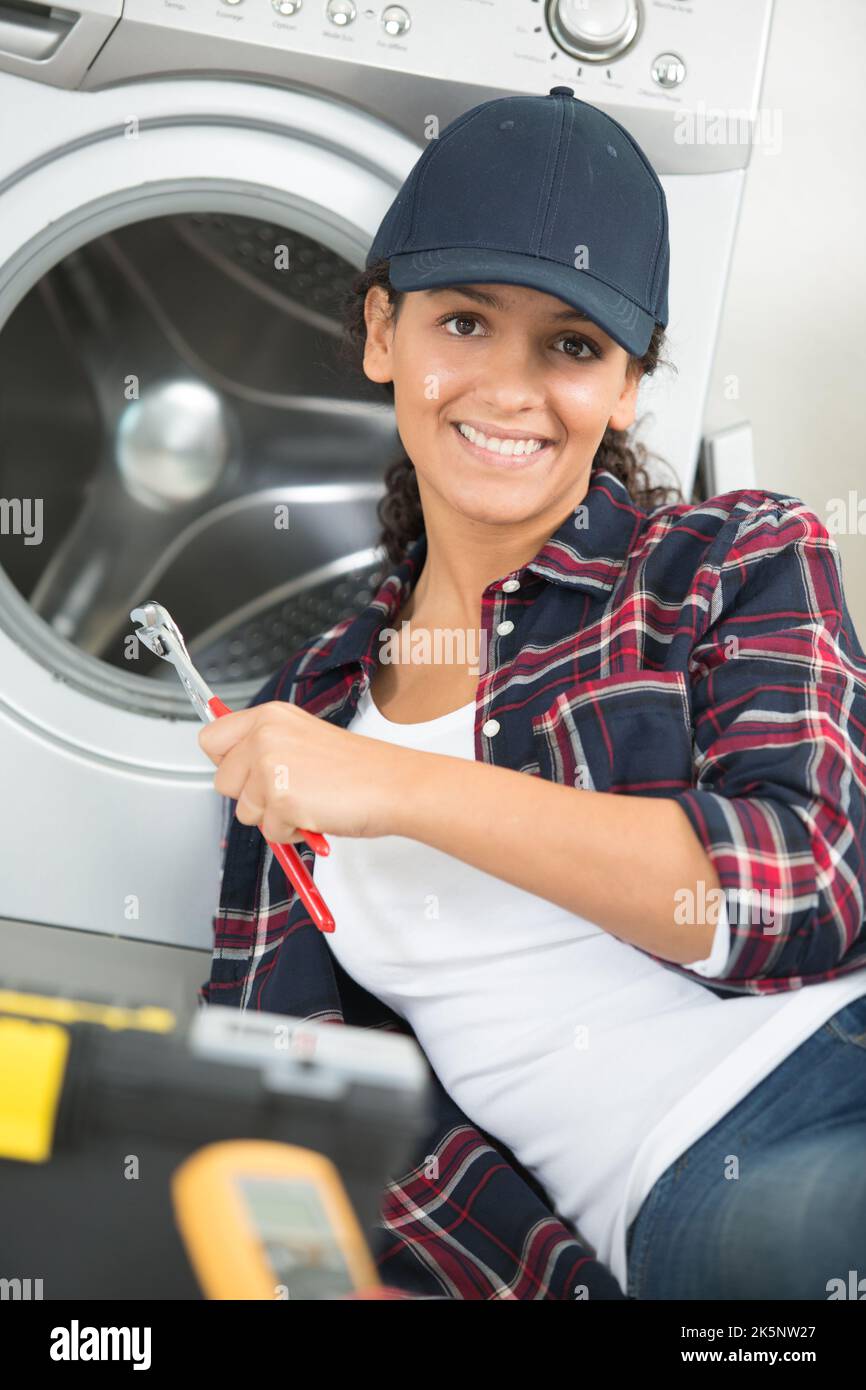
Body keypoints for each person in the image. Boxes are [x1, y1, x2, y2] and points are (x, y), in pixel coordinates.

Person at [197, 89, 866, 1300]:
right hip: (674, 1209)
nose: (509, 389)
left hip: (821, 1069)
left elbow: (804, 888)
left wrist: (400, 786)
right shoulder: (300, 715)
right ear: (379, 332)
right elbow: (275, 1090)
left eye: (569, 345)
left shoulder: (729, 557)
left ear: (623, 385)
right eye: (463, 321)